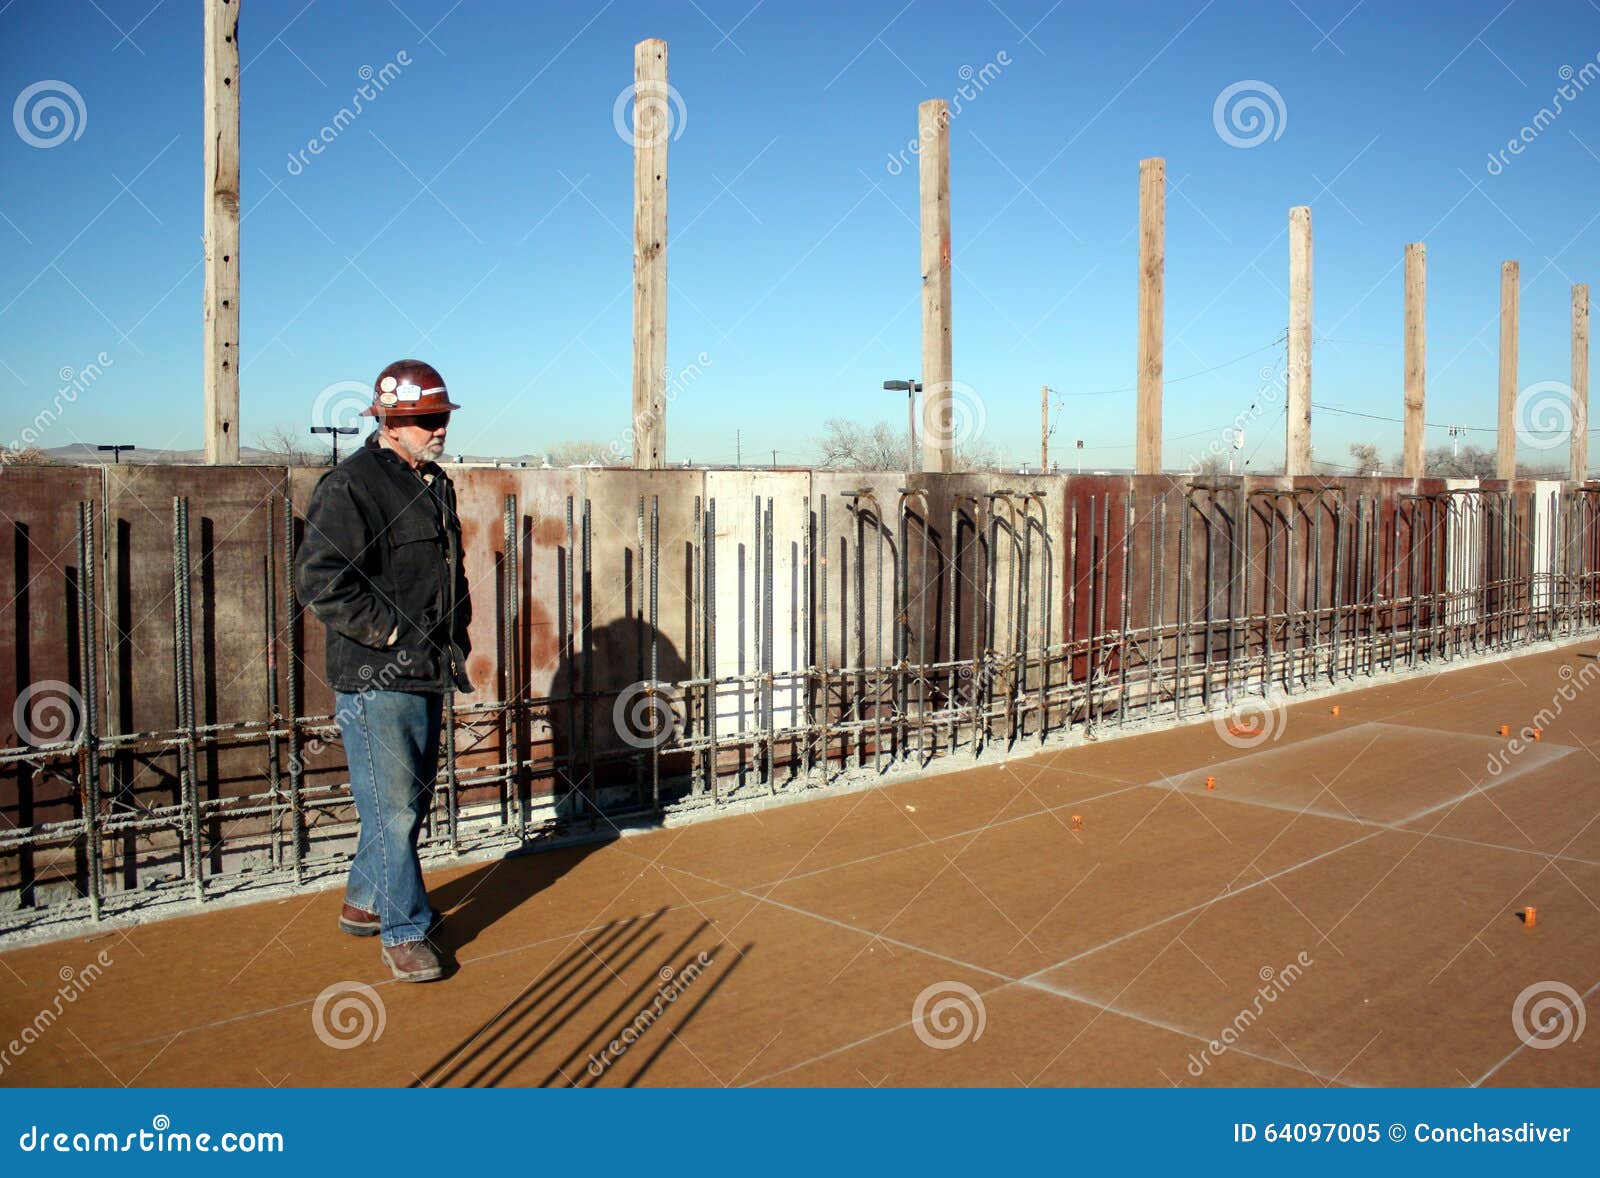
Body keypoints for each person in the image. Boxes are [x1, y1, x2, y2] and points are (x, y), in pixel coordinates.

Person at [294, 360, 473, 982]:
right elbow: (319, 581)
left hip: (425, 669)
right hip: (376, 677)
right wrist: (392, 632)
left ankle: (365, 902)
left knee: (406, 799)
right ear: (389, 424)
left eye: (439, 417)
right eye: (423, 420)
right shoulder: (351, 487)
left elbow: (448, 571)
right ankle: (403, 931)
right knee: (394, 807)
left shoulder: (433, 484)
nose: (436, 429)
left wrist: (454, 636)